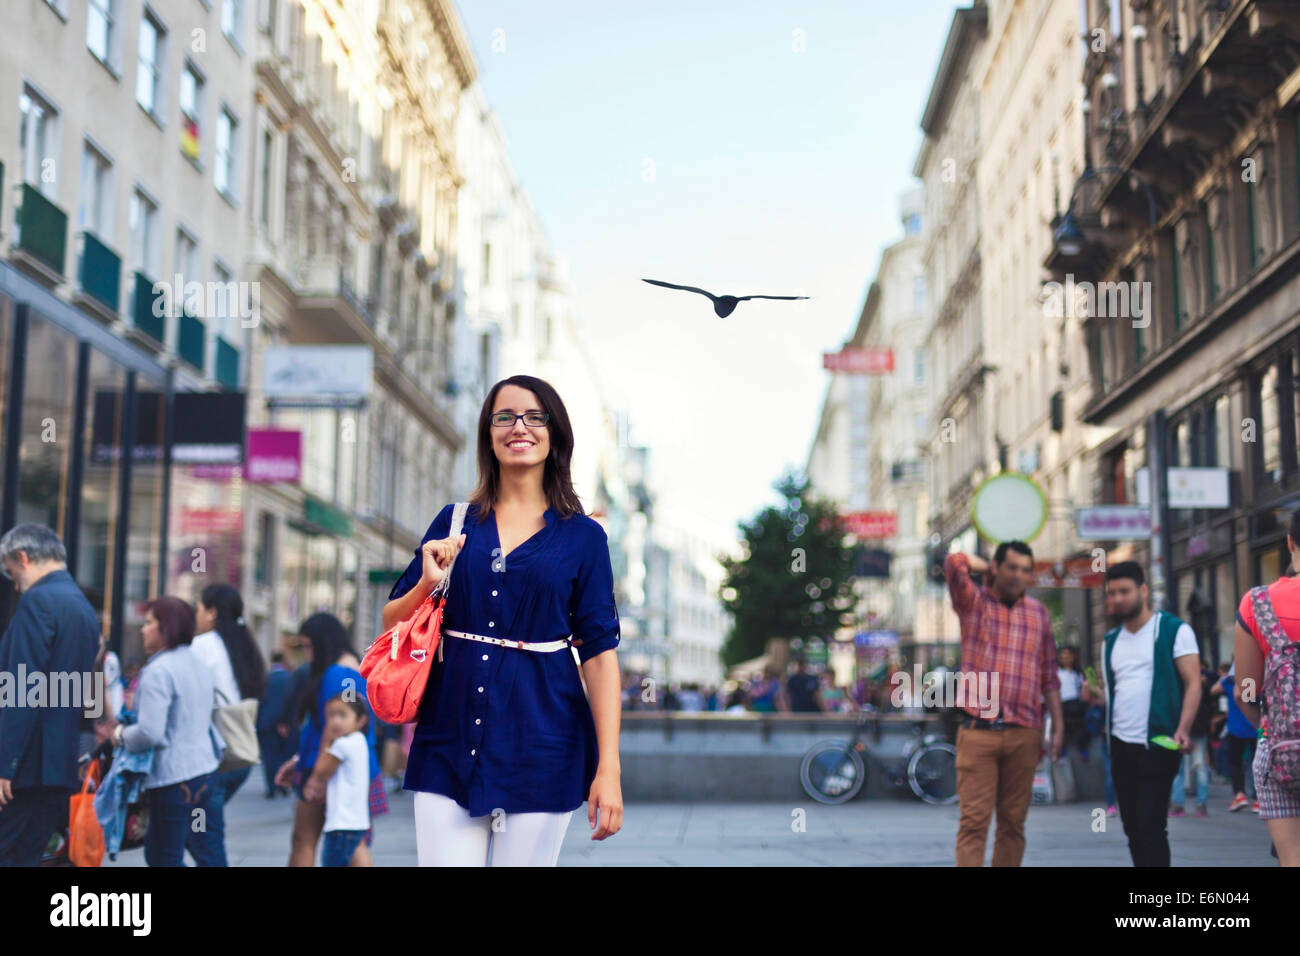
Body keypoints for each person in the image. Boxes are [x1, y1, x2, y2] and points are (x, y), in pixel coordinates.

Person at [381, 375, 623, 866]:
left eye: (535, 417)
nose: (519, 426)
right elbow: (391, 621)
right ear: (488, 433)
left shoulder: (584, 538)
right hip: (448, 741)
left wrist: (609, 769)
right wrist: (429, 581)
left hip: (545, 743)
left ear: (554, 433)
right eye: (504, 416)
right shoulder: (454, 521)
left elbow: (599, 655)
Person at [944, 542, 1063, 867]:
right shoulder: (973, 603)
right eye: (1011, 567)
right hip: (979, 731)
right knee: (974, 824)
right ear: (995, 568)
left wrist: (1059, 725)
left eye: (1026, 570)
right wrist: (985, 567)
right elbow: (954, 564)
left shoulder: (1038, 614)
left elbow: (1049, 675)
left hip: (1025, 733)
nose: (1019, 576)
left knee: (1013, 825)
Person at [0, 524, 101, 866]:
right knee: (26, 856)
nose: (14, 584)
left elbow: (22, 688)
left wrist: (6, 763)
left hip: (25, 766)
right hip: (57, 765)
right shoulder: (83, 607)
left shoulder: (38, 601)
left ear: (23, 558)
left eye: (12, 573)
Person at [1100, 561, 1202, 867]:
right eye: (1112, 593)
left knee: (1150, 824)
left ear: (1143, 591)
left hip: (1160, 741)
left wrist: (1183, 729)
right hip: (1120, 745)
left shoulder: (1173, 630)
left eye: (1124, 591)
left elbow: (1193, 682)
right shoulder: (1110, 641)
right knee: (1132, 828)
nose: (1117, 598)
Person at [116, 596, 227, 866]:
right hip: (204, 774)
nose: (143, 629)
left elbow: (150, 732)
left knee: (162, 856)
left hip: (174, 780)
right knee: (204, 849)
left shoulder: (158, 670)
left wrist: (119, 735)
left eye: (149, 623)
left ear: (166, 626)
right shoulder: (197, 663)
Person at [273, 612, 381, 866]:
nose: (307, 653)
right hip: (342, 764)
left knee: (305, 839)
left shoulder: (337, 673)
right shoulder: (352, 669)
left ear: (324, 643)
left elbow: (334, 728)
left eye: (309, 646)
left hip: (330, 765)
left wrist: (317, 777)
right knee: (352, 839)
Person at [1233, 512, 1300, 865]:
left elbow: (1245, 690)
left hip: (1281, 751)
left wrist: (1268, 727)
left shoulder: (1257, 603)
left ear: (1290, 543)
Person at [193, 583, 267, 803]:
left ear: (212, 613)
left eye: (198, 609)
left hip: (214, 753)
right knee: (206, 828)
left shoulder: (203, 644)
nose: (196, 616)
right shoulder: (245, 646)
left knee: (205, 832)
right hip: (240, 752)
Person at [307, 694, 371, 867]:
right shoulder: (360, 740)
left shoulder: (343, 744)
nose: (335, 721)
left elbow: (321, 772)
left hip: (341, 824)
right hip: (355, 822)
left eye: (342, 715)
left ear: (360, 720)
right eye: (331, 715)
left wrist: (327, 739)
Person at [1169, 659, 1215, 818]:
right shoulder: (1200, 683)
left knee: (1183, 768)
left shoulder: (1178, 683)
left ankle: (1179, 804)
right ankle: (1198, 804)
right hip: (1196, 729)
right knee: (1197, 767)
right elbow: (1210, 706)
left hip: (1188, 729)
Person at [1211, 665, 1258, 812]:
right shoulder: (1252, 682)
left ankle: (1239, 795)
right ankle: (1258, 800)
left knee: (1235, 763)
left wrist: (1225, 677)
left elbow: (1213, 690)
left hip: (1236, 729)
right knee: (1255, 764)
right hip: (1254, 727)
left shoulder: (1230, 683)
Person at [258, 652, 295, 798]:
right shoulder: (290, 678)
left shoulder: (265, 678)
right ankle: (283, 784)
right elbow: (292, 701)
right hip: (286, 724)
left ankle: (271, 787)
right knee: (283, 755)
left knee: (269, 757)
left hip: (266, 723)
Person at [1056, 646, 1094, 759]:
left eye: (1069, 654)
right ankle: (1061, 751)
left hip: (1077, 703)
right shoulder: (1056, 672)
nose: (1066, 657)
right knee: (1062, 728)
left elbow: (1087, 688)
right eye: (1064, 654)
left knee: (1082, 726)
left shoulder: (1079, 673)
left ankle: (1082, 747)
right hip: (1062, 704)